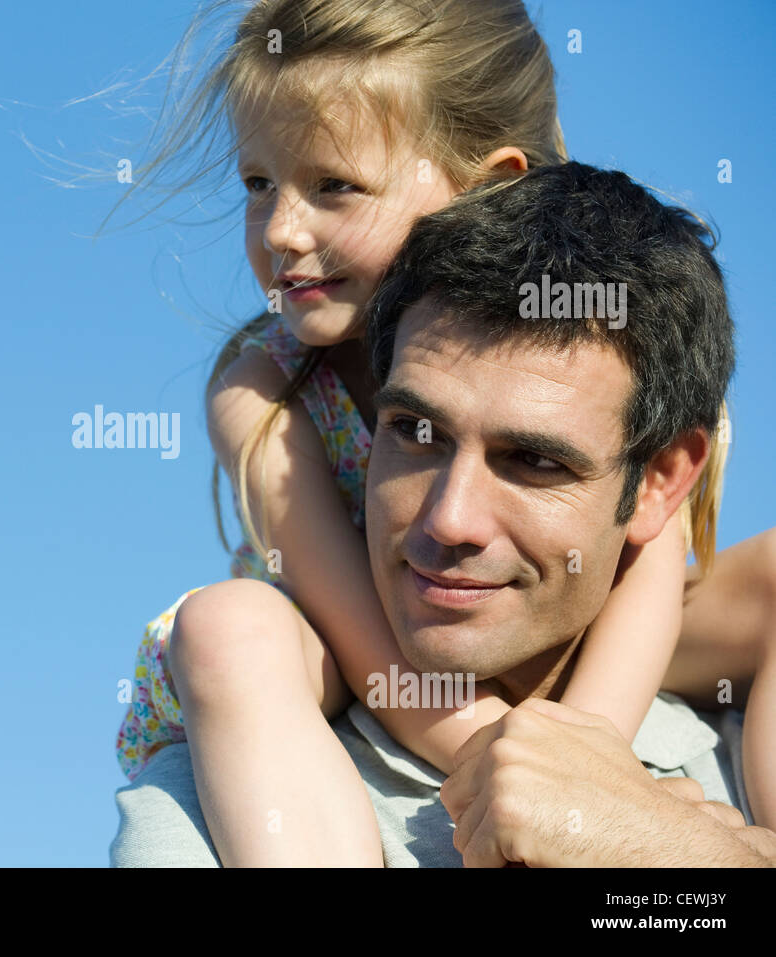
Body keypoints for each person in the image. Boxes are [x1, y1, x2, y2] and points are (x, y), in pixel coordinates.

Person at [112, 0, 772, 866]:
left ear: (488, 184)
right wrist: (498, 763)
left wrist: (583, 765)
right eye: (256, 183)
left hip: (537, 632)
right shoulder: (267, 384)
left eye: (334, 185)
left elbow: (645, 567)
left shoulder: (619, 351)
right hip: (342, 638)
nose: (280, 230)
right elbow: (366, 640)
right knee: (232, 628)